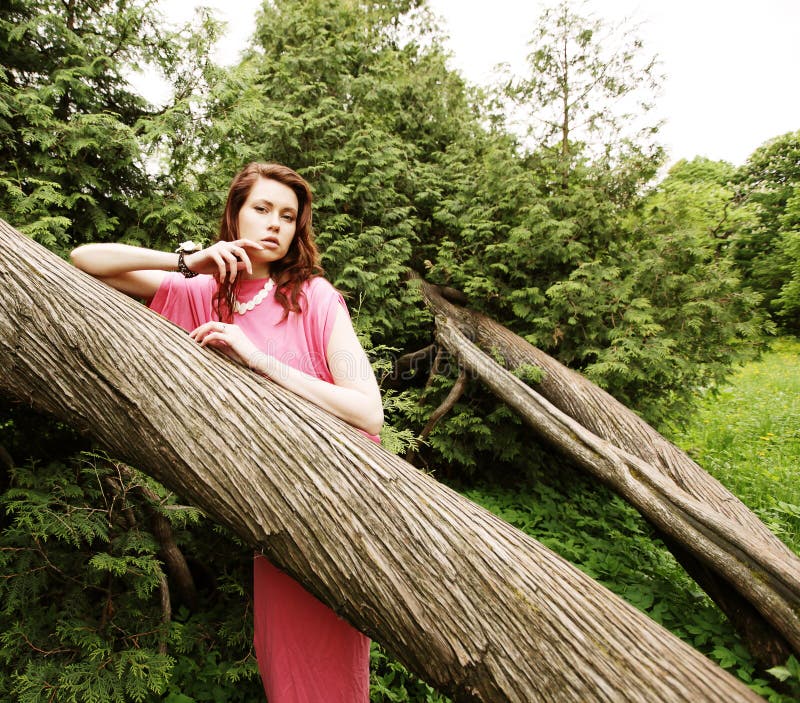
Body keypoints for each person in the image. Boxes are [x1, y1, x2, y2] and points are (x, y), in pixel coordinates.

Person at [70, 162, 383, 702]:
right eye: (261, 209)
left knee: (333, 665)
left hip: (339, 499)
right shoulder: (201, 290)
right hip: (273, 510)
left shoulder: (316, 298)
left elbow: (368, 411)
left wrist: (258, 359)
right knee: (285, 665)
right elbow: (85, 262)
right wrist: (187, 260)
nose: (275, 224)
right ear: (234, 214)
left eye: (288, 216)